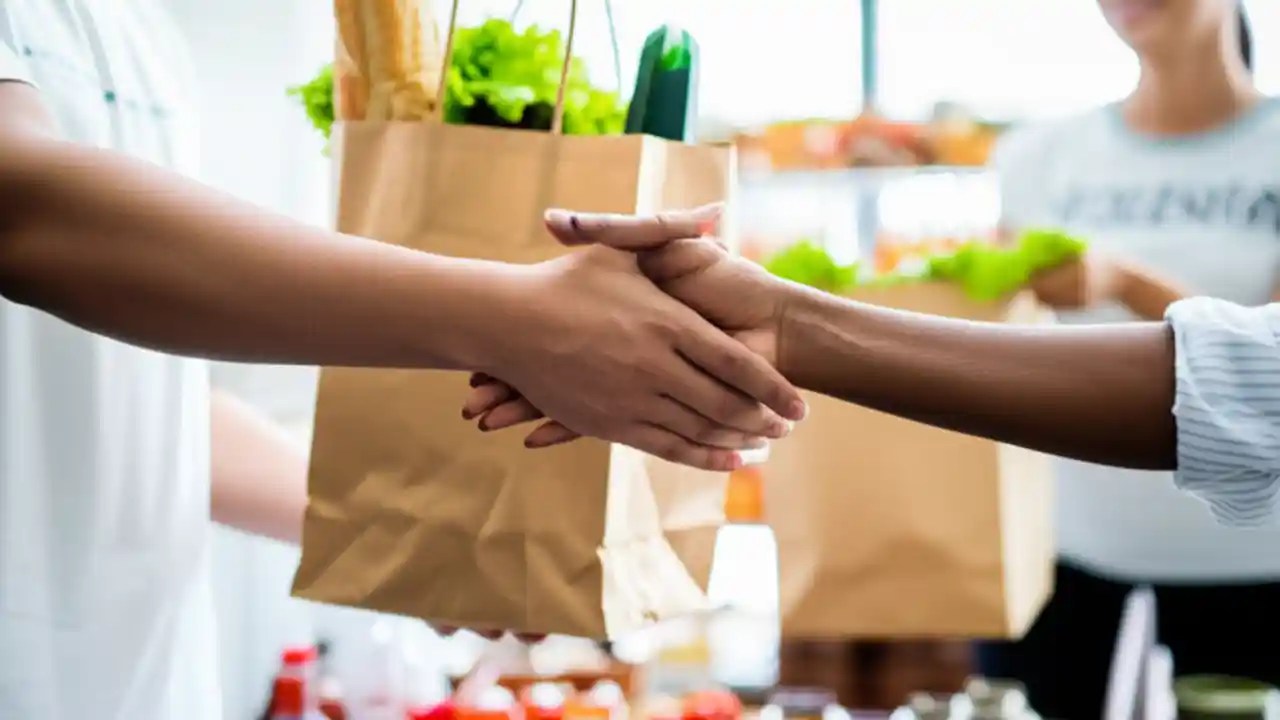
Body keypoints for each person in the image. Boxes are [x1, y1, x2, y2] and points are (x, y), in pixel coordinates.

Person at [0, 3, 805, 718]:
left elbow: (146, 401)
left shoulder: (138, 31)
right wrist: (515, 319)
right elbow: (25, 211)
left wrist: (424, 539)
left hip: (155, 685)